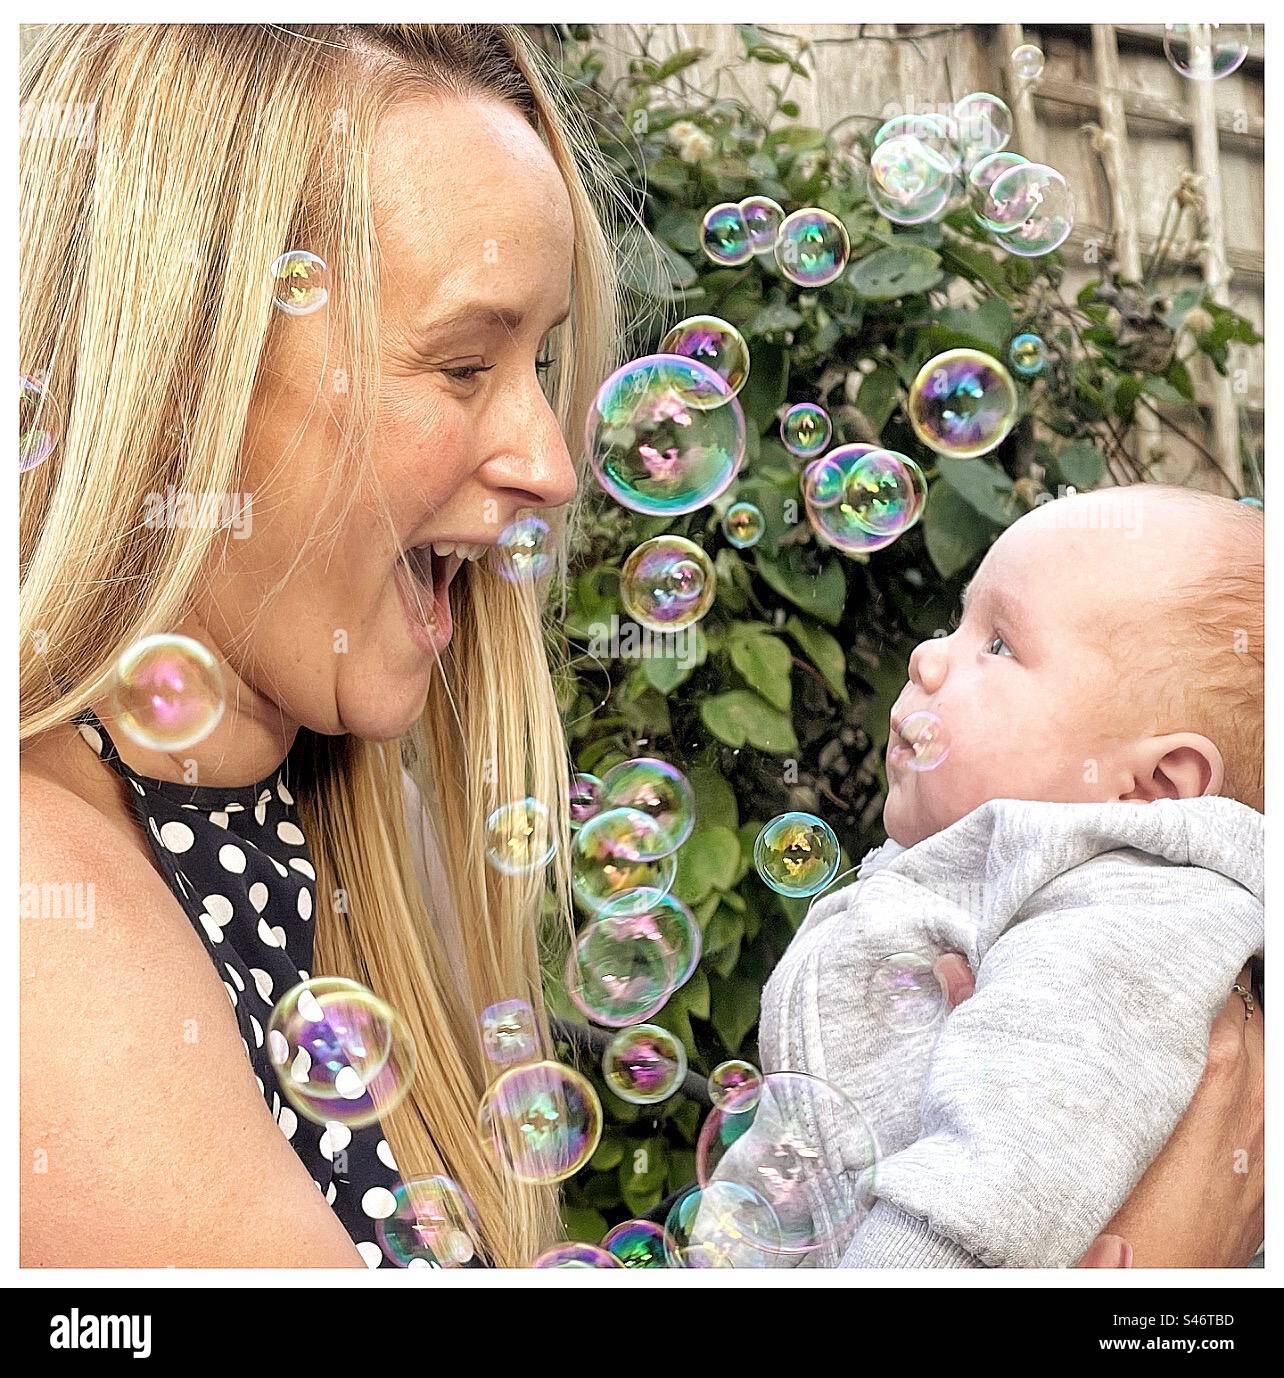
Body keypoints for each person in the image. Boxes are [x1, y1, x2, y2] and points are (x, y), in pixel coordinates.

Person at [20, 22, 625, 1268]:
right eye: (464, 364)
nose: (552, 466)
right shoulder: (40, 916)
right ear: (184, 371)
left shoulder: (359, 827)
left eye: (544, 361)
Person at [751, 485, 1265, 1267]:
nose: (926, 659)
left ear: (1154, 785)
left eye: (998, 645)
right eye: (958, 622)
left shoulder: (1120, 924)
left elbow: (986, 1197)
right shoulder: (978, 884)